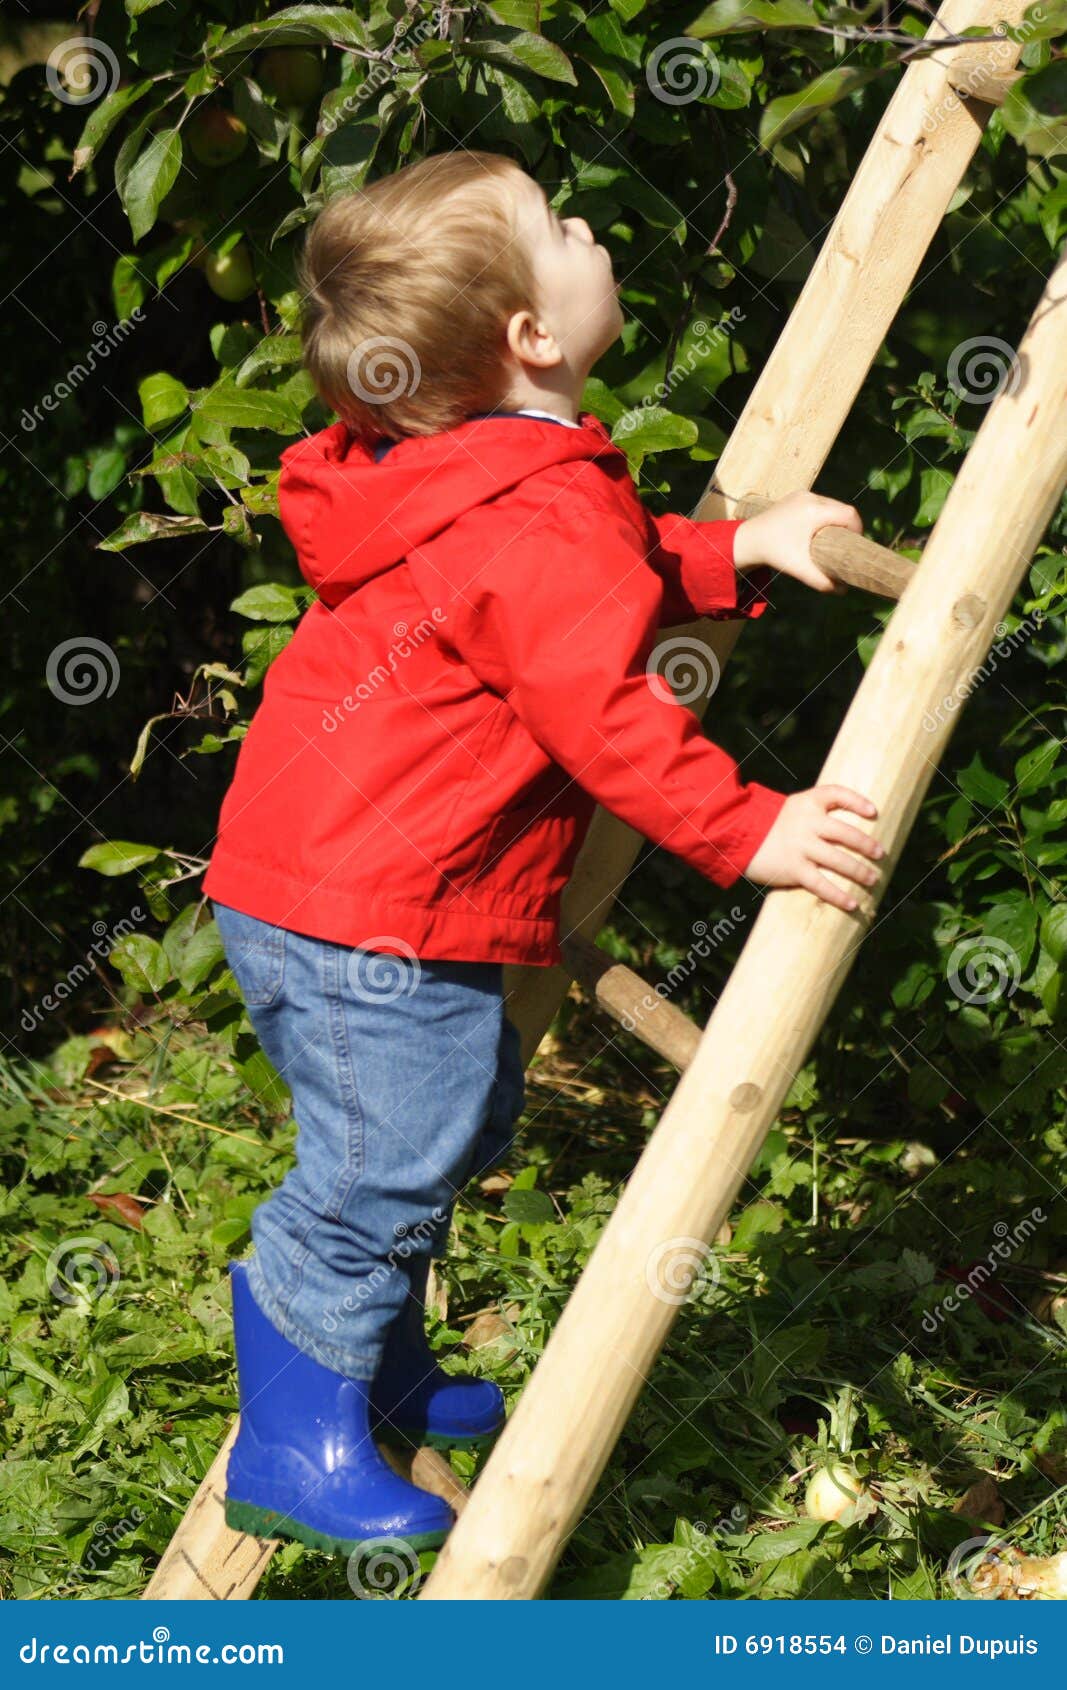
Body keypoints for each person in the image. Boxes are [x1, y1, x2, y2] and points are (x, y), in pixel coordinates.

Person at [202, 149, 884, 1559]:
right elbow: (600, 705)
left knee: (451, 1122)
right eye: (556, 225)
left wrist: (737, 549)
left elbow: (589, 582)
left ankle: (375, 1374)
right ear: (529, 332)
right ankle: (288, 1438)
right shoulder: (534, 501)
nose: (586, 227)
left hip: (341, 880)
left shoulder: (487, 478)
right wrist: (750, 827)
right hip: (368, 900)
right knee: (385, 1162)